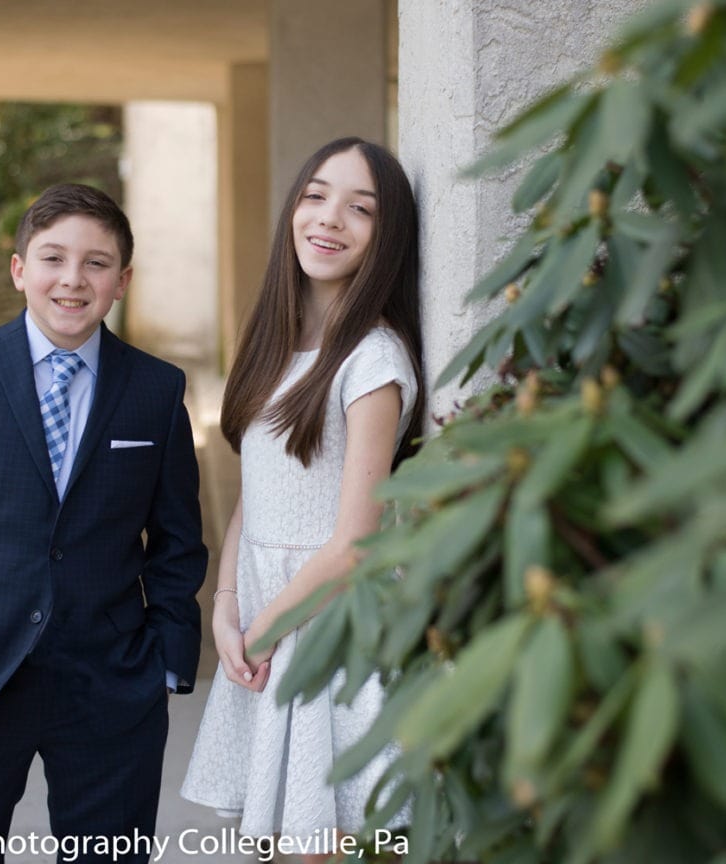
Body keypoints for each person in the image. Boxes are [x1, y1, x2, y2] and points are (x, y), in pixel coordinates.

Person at [0, 183, 207, 864]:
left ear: (122, 281)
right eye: (53, 258)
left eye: (96, 263)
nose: (72, 279)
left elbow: (177, 540)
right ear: (19, 269)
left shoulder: (156, 388)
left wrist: (167, 662)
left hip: (110, 683)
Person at [181, 137, 423, 861]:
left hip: (330, 623)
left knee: (323, 845)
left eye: (360, 209)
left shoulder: (373, 360)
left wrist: (259, 633)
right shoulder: (276, 346)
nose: (329, 218)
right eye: (316, 196)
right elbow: (253, 497)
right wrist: (226, 608)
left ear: (388, 237)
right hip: (271, 613)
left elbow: (354, 544)